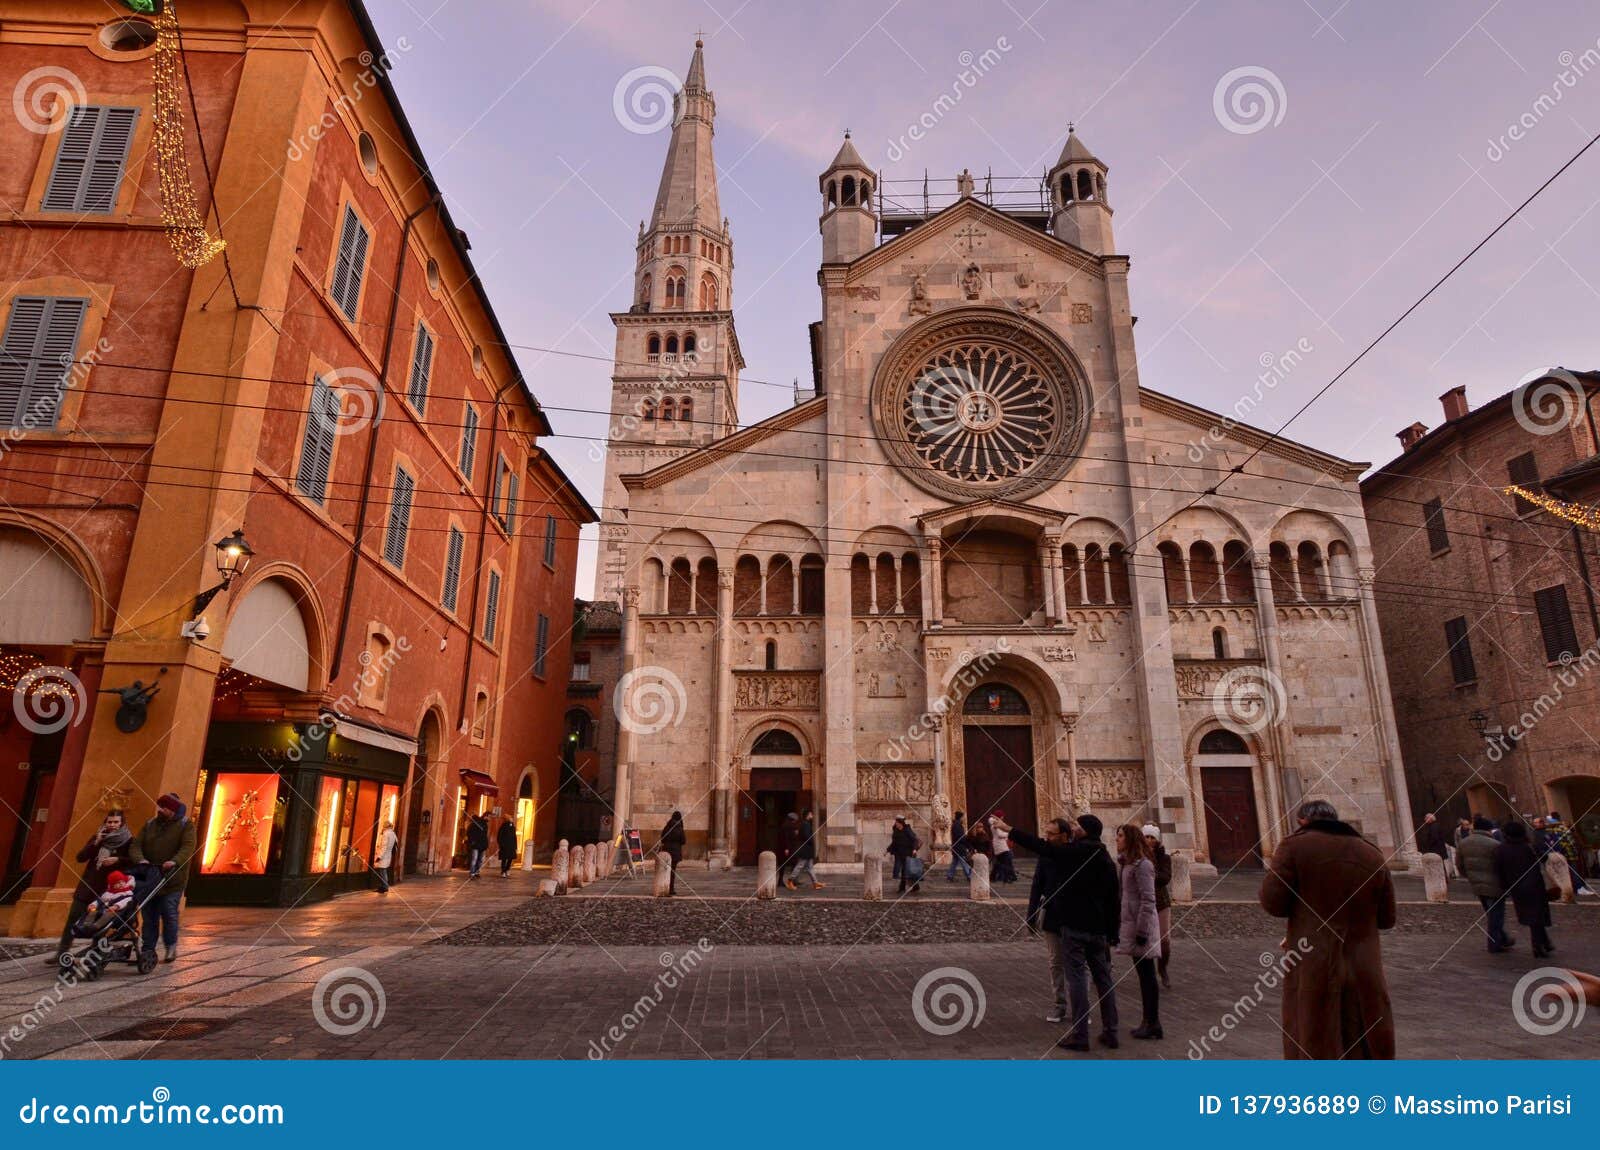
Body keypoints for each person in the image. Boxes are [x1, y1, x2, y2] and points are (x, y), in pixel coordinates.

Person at [1259, 799, 1396, 1059]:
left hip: (1314, 960)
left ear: (1303, 821)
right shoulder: (1371, 853)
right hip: (1363, 965)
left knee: (1315, 1035)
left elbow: (1273, 903)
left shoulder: (1294, 846)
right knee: (1364, 1038)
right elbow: (1387, 918)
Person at [1002, 813, 1120, 1052]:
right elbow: (1113, 899)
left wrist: (1010, 829)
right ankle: (1111, 1031)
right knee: (1104, 979)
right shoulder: (1105, 857)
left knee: (1076, 977)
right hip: (1098, 929)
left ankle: (1080, 1034)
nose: (1074, 828)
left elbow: (1041, 847)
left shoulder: (1075, 853)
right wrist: (1113, 931)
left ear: (1085, 831)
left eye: (1077, 826)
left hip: (1075, 925)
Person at [49, 810, 133, 964]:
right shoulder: (98, 837)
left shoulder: (128, 840)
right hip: (88, 886)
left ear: (122, 823)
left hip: (108, 889)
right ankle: (61, 953)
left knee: (99, 922)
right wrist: (96, 843)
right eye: (110, 822)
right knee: (73, 918)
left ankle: (95, 954)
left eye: (116, 822)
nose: (112, 825)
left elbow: (132, 861)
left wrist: (117, 860)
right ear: (105, 822)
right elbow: (81, 857)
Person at [129, 792, 196, 964]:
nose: (161, 810)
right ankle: (148, 949)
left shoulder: (185, 825)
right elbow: (136, 845)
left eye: (165, 807)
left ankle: (170, 946)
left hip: (172, 879)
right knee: (149, 914)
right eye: (161, 807)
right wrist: (140, 859)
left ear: (173, 809)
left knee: (169, 913)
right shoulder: (150, 824)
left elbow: (187, 848)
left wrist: (174, 861)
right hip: (150, 876)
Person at [1115, 824, 1162, 1040]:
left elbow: (1148, 899)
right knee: (1144, 974)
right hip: (1132, 924)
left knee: (1147, 975)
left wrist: (1142, 931)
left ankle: (1152, 1022)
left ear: (1131, 839)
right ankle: (1149, 1021)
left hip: (1141, 927)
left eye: (1121, 836)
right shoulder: (1126, 864)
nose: (1117, 840)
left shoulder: (1142, 865)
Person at [1025, 818, 1073, 1023]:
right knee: (1055, 961)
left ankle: (1081, 1006)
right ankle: (1060, 1005)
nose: (1047, 837)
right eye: (1047, 833)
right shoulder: (1045, 857)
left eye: (1051, 834)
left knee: (1077, 962)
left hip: (1074, 914)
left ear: (1064, 835)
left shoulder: (1076, 854)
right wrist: (1031, 913)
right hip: (1052, 913)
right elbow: (1037, 885)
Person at [1495, 821, 1555, 957]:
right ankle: (1538, 945)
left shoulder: (1501, 849)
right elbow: (1544, 858)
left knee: (1533, 916)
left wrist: (1504, 886)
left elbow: (1499, 870)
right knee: (1537, 916)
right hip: (1535, 884)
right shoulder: (1529, 846)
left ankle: (1544, 942)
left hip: (1517, 887)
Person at [1458, 815, 1514, 952]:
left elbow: (1460, 865)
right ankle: (1494, 944)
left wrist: (1470, 876)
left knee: (1491, 913)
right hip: (1495, 884)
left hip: (1477, 884)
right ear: (1488, 830)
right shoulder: (1494, 844)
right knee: (1496, 915)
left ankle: (1503, 938)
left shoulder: (1463, 843)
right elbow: (1504, 866)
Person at [1143, 824, 1173, 989]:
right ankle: (1148, 975)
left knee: (1164, 940)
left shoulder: (1164, 857)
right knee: (1145, 940)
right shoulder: (1137, 856)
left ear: (1157, 839)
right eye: (1146, 837)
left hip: (1161, 902)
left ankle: (1162, 968)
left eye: (1152, 837)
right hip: (1143, 903)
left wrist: (1148, 872)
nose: (1149, 840)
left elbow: (1165, 877)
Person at [1543, 811, 1596, 896]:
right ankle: (1578, 888)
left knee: (1566, 873)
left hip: (1560, 855)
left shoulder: (1549, 830)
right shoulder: (1561, 829)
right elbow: (1570, 842)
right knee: (1574, 872)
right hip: (1568, 854)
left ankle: (1574, 888)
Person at [790, 809, 823, 890]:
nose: (812, 815)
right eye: (811, 814)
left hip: (808, 849)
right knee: (800, 865)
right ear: (808, 815)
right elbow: (806, 836)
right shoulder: (805, 824)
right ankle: (790, 880)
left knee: (810, 867)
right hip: (806, 849)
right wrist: (811, 841)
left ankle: (815, 883)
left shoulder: (806, 824)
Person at [887, 816, 921, 894]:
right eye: (895, 822)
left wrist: (915, 849)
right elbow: (894, 842)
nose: (895, 824)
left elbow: (915, 840)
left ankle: (904, 888)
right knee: (904, 870)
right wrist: (887, 850)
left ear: (900, 823)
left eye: (897, 822)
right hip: (899, 853)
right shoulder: (895, 831)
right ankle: (914, 887)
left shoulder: (907, 830)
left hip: (908, 853)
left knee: (906, 871)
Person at [659, 810, 686, 895]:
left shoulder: (667, 827)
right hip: (675, 852)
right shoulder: (679, 828)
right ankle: (671, 889)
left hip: (666, 851)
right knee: (672, 871)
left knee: (665, 870)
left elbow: (662, 838)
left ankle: (663, 887)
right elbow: (683, 841)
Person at [989, 811, 1017, 884]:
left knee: (999, 863)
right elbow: (1000, 834)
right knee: (1007, 862)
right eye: (1001, 816)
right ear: (999, 816)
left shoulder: (995, 824)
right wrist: (1008, 834)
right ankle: (1009, 877)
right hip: (1001, 846)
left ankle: (993, 877)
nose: (1003, 817)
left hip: (998, 845)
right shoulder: (996, 824)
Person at [374, 820, 399, 894]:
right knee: (383, 871)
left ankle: (384, 886)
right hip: (389, 854)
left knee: (382, 871)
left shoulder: (386, 834)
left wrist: (379, 856)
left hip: (384, 855)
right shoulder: (393, 833)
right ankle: (383, 886)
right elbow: (396, 844)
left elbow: (384, 846)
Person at [946, 810, 972, 882]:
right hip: (959, 847)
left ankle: (950, 875)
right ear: (960, 817)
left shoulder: (956, 824)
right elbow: (960, 836)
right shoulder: (957, 825)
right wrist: (966, 839)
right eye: (963, 817)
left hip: (956, 846)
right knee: (963, 862)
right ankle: (969, 876)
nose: (964, 818)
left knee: (954, 862)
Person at [780, 811, 803, 890]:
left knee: (790, 863)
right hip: (789, 848)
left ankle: (791, 880)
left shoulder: (790, 825)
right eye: (795, 819)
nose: (796, 821)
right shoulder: (787, 826)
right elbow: (786, 838)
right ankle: (788, 881)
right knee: (789, 864)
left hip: (791, 847)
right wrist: (786, 848)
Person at [465, 811, 489, 879]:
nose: (489, 819)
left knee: (478, 859)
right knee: (475, 859)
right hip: (476, 844)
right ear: (485, 816)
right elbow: (469, 834)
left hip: (481, 844)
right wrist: (473, 841)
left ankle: (476, 872)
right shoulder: (474, 824)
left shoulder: (484, 824)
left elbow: (484, 835)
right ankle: (473, 873)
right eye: (488, 817)